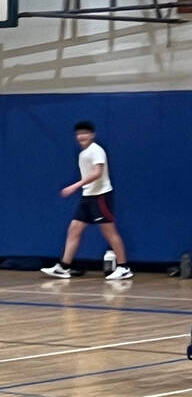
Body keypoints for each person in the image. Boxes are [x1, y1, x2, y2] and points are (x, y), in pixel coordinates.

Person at [42, 120, 131, 282]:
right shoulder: (83, 153)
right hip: (88, 196)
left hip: (100, 196)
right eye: (79, 134)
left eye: (85, 133)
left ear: (92, 135)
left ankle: (124, 268)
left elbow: (97, 172)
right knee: (74, 230)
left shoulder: (96, 150)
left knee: (109, 232)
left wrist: (75, 186)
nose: (81, 136)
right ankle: (63, 267)